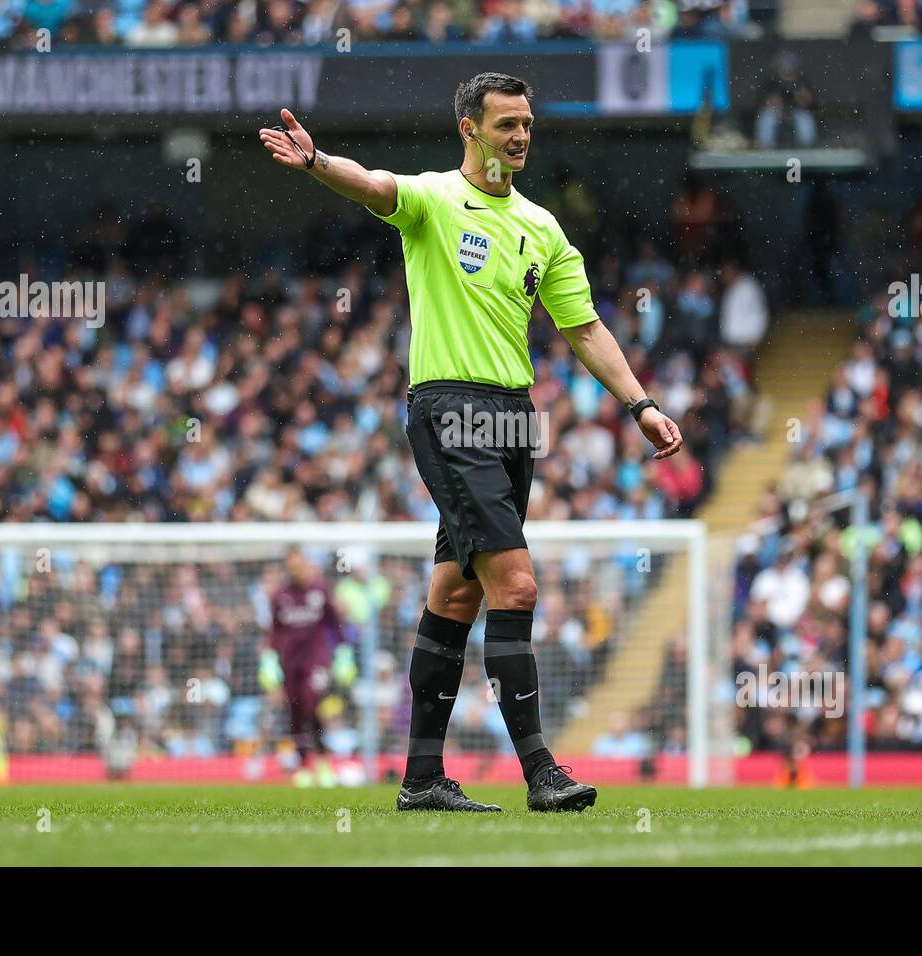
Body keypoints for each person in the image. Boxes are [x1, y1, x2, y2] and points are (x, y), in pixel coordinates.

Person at [259, 72, 684, 812]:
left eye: (526, 123)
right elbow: (375, 187)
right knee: (516, 584)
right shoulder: (432, 199)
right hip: (450, 411)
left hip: (513, 419)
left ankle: (422, 776)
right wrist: (321, 163)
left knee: (455, 595)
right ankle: (541, 771)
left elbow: (583, 328)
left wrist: (639, 404)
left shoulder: (543, 228)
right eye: (505, 124)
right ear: (469, 128)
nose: (519, 136)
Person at [269, 549, 344, 787]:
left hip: (316, 660)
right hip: (290, 662)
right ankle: (303, 765)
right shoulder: (280, 595)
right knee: (295, 711)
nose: (297, 571)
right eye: (292, 567)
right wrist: (270, 662)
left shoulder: (320, 590)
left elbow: (335, 623)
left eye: (300, 565)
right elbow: (275, 630)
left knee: (311, 703)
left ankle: (322, 761)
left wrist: (343, 654)